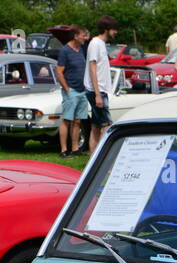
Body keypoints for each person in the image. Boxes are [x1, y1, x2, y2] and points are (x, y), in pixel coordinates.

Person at [56, 26, 90, 157]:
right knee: (67, 119)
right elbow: (59, 71)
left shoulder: (82, 49)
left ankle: (75, 148)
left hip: (82, 91)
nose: (85, 38)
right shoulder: (65, 51)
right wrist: (67, 89)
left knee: (77, 120)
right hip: (71, 90)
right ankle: (63, 150)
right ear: (76, 36)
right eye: (83, 35)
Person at [85, 15, 118, 149]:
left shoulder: (102, 44)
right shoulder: (95, 43)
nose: (116, 32)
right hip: (96, 91)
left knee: (96, 126)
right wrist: (98, 94)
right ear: (106, 29)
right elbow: (92, 68)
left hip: (100, 90)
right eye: (114, 29)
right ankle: (103, 159)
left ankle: (93, 159)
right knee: (106, 125)